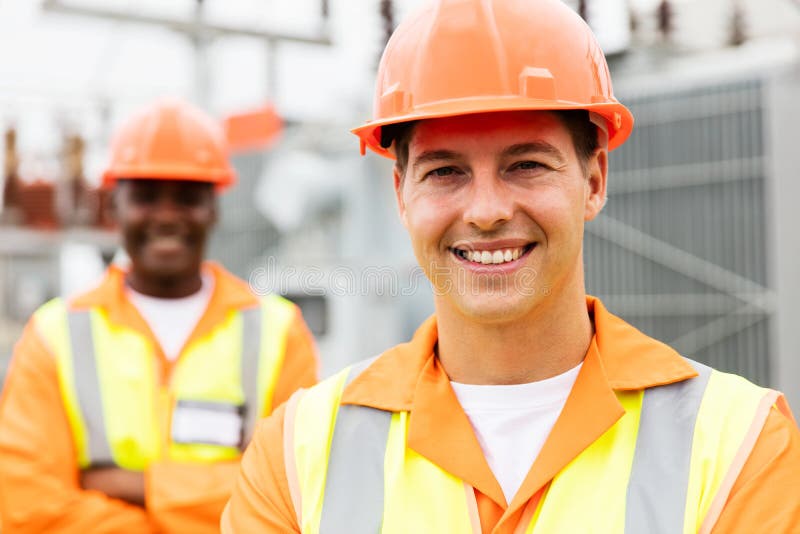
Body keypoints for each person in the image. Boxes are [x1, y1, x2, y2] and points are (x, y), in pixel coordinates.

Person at [222, 1, 800, 532]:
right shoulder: (295, 457)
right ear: (402, 196)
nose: (488, 212)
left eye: (526, 164)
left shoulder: (740, 446)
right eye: (444, 172)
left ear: (594, 180)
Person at [0, 99, 318, 533]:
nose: (167, 217)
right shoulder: (55, 335)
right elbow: (26, 507)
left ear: (213, 209)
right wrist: (215, 498)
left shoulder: (279, 332)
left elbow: (296, 491)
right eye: (147, 197)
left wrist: (132, 485)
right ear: (114, 207)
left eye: (187, 198)